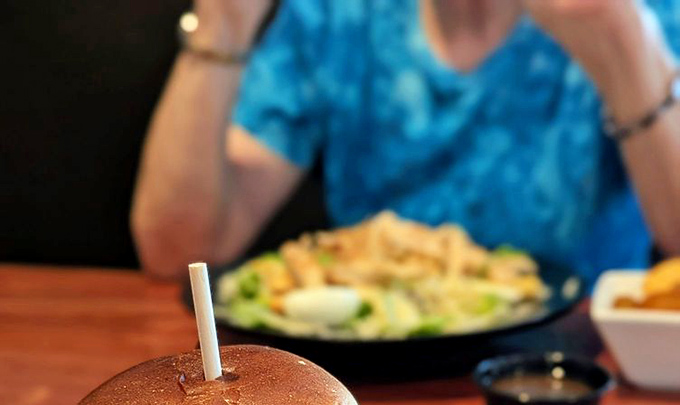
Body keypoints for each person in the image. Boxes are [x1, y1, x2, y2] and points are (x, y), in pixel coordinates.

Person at [131, 0, 680, 286]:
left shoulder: (652, 13)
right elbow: (179, 247)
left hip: (586, 388)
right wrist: (223, 23)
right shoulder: (339, 16)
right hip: (366, 386)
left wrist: (626, 43)